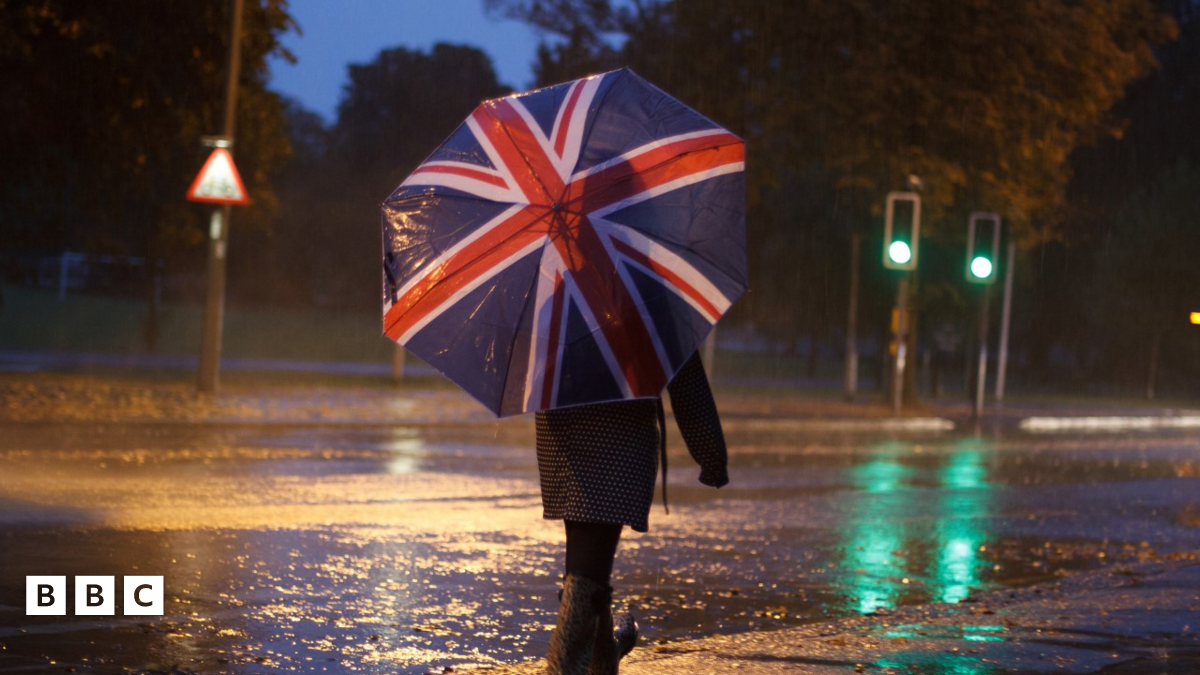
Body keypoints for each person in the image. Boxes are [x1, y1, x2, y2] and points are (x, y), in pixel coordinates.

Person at [535, 351, 729, 675]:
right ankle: (566, 666)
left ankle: (602, 657)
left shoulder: (554, 302)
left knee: (585, 567)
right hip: (621, 440)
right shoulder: (643, 302)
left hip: (562, 433)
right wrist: (711, 455)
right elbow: (683, 371)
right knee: (586, 575)